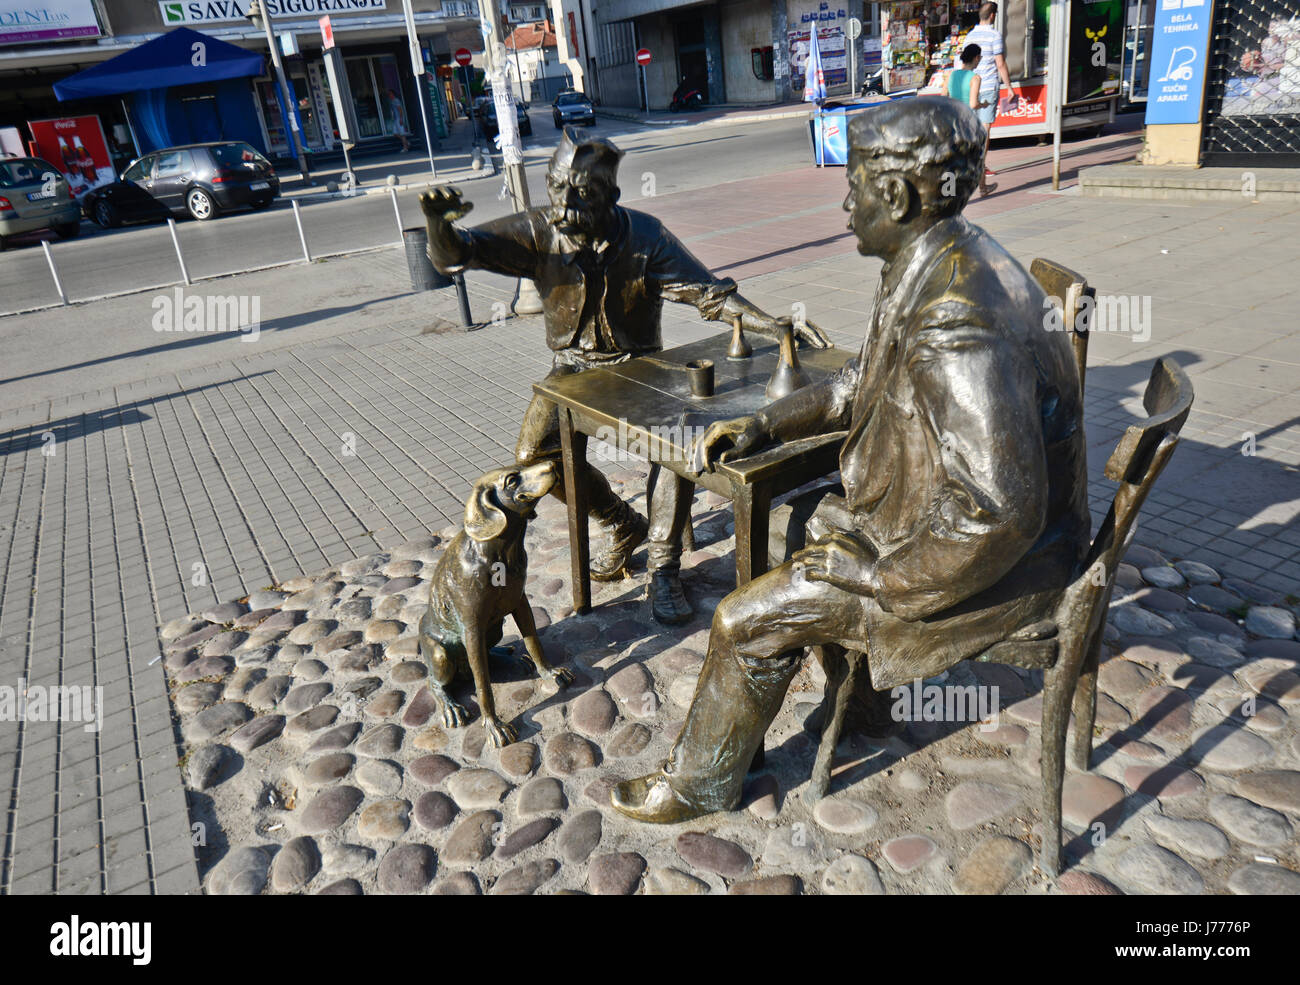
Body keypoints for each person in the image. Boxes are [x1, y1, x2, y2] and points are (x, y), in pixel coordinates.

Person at [610, 97, 1090, 824]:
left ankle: (701, 782)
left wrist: (872, 575)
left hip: (1001, 566)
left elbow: (1001, 513)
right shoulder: (940, 256)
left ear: (896, 196)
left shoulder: (956, 317)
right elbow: (856, 384)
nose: (844, 203)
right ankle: (864, 697)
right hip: (938, 522)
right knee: (774, 530)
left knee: (742, 618)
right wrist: (763, 423)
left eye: (854, 184)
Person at [419, 128, 830, 625]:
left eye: (582, 192)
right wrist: (436, 225)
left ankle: (663, 567)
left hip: (643, 368)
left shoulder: (647, 236)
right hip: (570, 371)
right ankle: (622, 522)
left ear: (611, 197)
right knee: (535, 457)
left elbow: (711, 295)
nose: (565, 202)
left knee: (677, 445)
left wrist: (775, 325)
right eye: (556, 186)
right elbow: (459, 254)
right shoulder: (538, 230)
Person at [960, 1, 1016, 195]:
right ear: (992, 16)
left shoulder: (970, 36)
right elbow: (1000, 64)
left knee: (974, 135)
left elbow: (965, 63)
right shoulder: (994, 35)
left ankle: (979, 179)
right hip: (988, 88)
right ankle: (981, 184)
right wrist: (1009, 87)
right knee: (983, 137)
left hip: (972, 88)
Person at [947, 43, 989, 116]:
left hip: (951, 116)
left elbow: (943, 96)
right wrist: (983, 105)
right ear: (977, 58)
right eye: (980, 58)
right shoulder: (975, 78)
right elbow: (973, 104)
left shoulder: (951, 75)